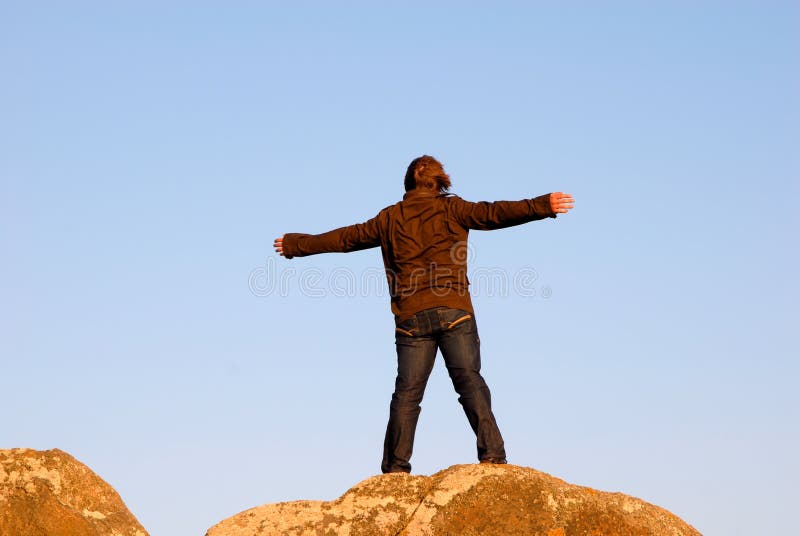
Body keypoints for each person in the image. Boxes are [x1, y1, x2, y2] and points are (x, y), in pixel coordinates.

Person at [273, 155, 574, 473]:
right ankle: (493, 457)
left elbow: (345, 238)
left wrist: (296, 244)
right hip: (453, 311)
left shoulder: (389, 218)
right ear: (440, 182)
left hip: (411, 317)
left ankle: (395, 469)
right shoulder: (452, 208)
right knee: (469, 381)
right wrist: (543, 205)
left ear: (407, 184)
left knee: (407, 395)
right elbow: (495, 213)